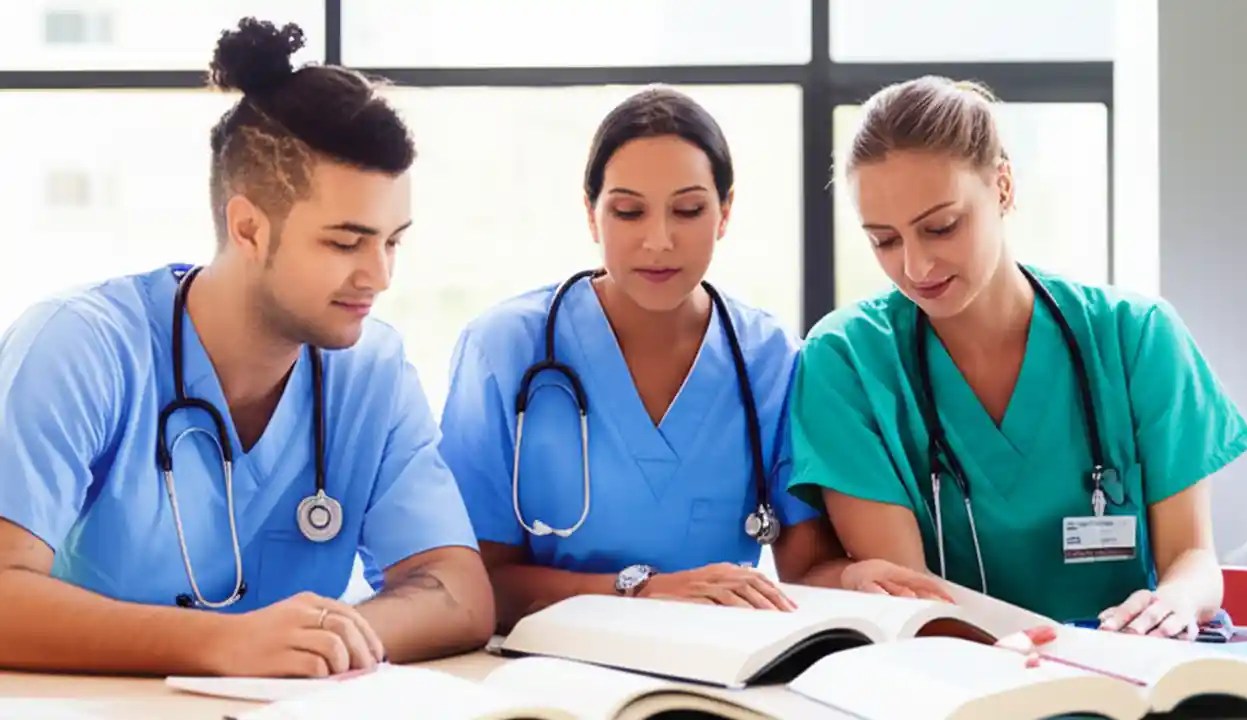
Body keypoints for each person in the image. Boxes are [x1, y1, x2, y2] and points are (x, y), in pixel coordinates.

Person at [0, 18, 494, 677]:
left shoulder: (371, 371)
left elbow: (458, 594)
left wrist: (319, 640)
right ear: (249, 228)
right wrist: (221, 643)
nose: (379, 275)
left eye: (392, 240)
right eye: (346, 243)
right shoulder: (80, 348)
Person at [438, 86, 947, 632]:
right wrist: (640, 591)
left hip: (718, 665)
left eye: (688, 210)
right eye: (629, 212)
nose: (659, 241)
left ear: (725, 212)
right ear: (591, 215)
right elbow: (471, 582)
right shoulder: (505, 349)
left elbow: (802, 570)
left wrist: (853, 578)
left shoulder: (770, 360)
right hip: (542, 663)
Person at [787, 75, 1247, 638]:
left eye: (941, 227)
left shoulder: (1138, 338)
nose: (915, 266)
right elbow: (912, 598)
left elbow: (1193, 560)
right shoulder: (847, 363)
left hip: (1131, 670)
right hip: (955, 673)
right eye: (885, 240)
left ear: (1002, 186)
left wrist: (1175, 602)